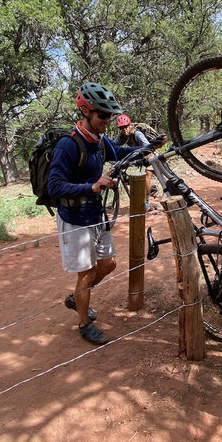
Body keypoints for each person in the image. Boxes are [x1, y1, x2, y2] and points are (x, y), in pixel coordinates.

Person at [47, 82, 161, 345]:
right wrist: (93, 185)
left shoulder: (98, 141)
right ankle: (84, 323)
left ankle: (77, 299)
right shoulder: (69, 145)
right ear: (86, 112)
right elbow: (54, 185)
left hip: (95, 215)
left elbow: (119, 152)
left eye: (109, 115)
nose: (107, 120)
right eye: (102, 115)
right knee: (85, 273)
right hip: (74, 218)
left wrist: (147, 148)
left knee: (109, 264)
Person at [115, 114, 161, 210]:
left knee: (148, 175)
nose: (124, 129)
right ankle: (151, 190)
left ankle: (147, 203)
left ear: (130, 125)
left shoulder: (137, 134)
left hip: (152, 156)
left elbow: (148, 147)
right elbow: (113, 146)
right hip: (143, 158)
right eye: (121, 128)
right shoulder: (122, 136)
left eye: (126, 126)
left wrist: (137, 157)